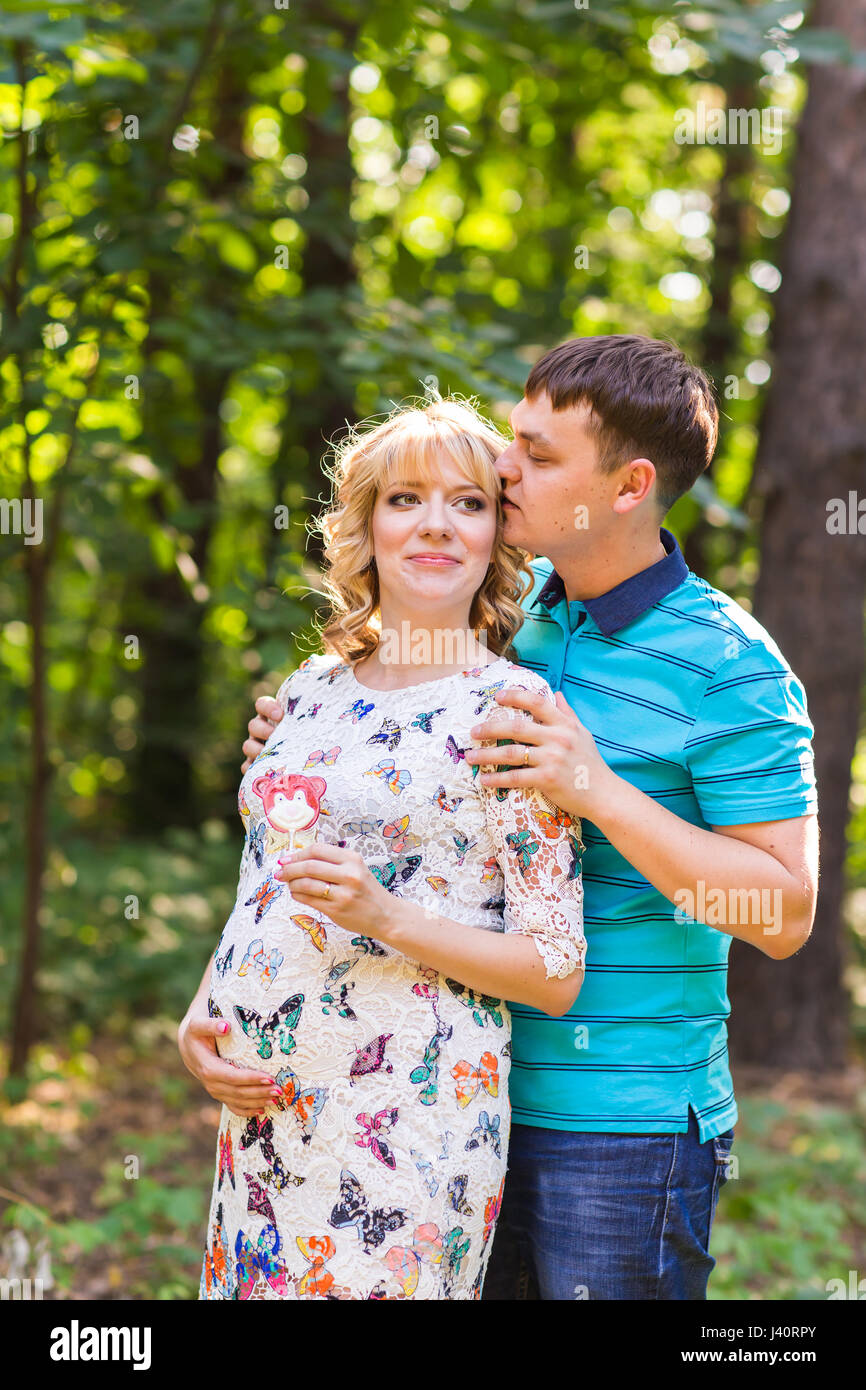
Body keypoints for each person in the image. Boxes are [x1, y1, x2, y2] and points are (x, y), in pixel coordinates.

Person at [236, 335, 820, 1300]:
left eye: (540, 456)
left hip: (619, 1132)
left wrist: (596, 789)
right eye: (514, 438)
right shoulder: (518, 614)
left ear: (628, 487)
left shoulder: (734, 667)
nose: (505, 469)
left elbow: (788, 914)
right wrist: (299, 737)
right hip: (451, 1100)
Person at [180, 397, 586, 1301]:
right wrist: (199, 1015)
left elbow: (555, 971)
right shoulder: (310, 690)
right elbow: (263, 884)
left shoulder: (512, 713)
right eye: (406, 499)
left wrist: (386, 917)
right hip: (263, 1122)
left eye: (469, 502)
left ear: (497, 535)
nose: (436, 524)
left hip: (405, 1131)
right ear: (365, 526)